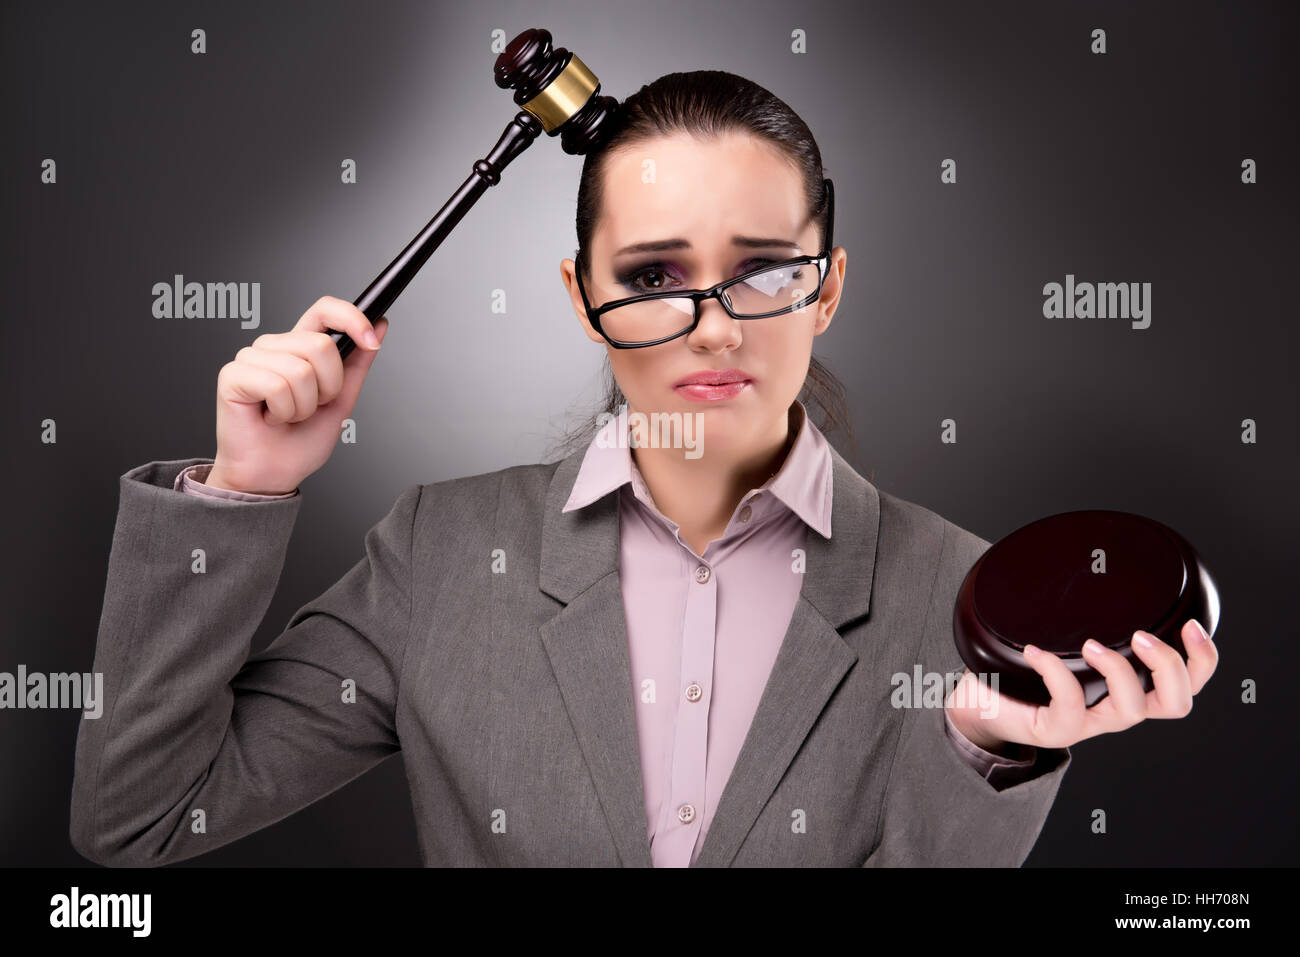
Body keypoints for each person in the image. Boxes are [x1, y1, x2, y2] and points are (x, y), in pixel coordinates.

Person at [70, 71, 1218, 868]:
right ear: (581, 298)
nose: (713, 329)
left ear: (827, 286)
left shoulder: (962, 598)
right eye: (654, 273)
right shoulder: (443, 555)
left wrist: (992, 749)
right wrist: (244, 489)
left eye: (765, 272)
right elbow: (140, 819)